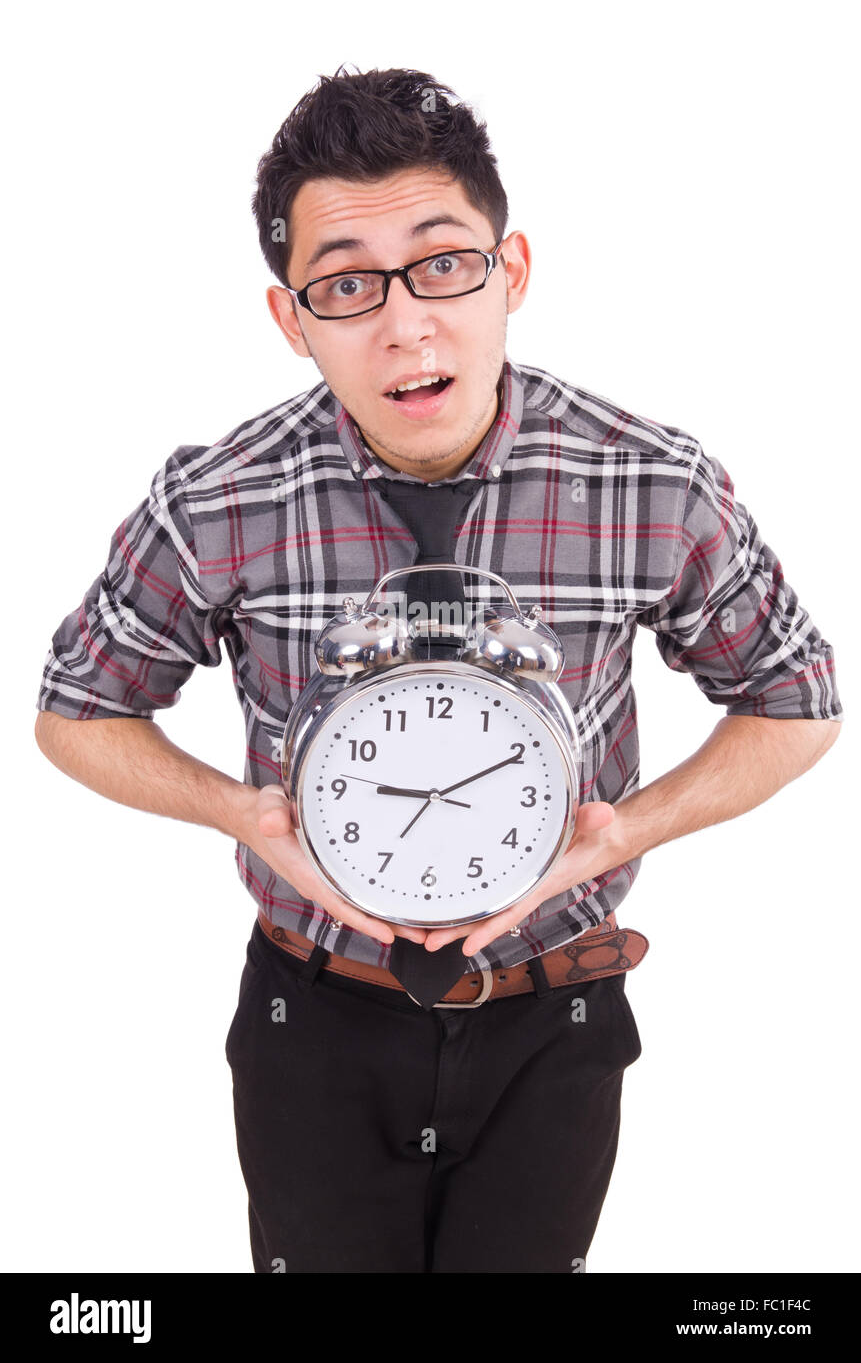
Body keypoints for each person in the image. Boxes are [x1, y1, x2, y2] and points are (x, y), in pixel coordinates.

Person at [34, 65, 843, 1274]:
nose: (407, 322)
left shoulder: (649, 484)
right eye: (347, 284)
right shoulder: (218, 498)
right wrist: (242, 814)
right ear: (290, 317)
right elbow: (76, 710)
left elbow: (798, 698)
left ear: (510, 271)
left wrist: (627, 832)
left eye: (443, 262)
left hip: (555, 1017)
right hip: (311, 1014)